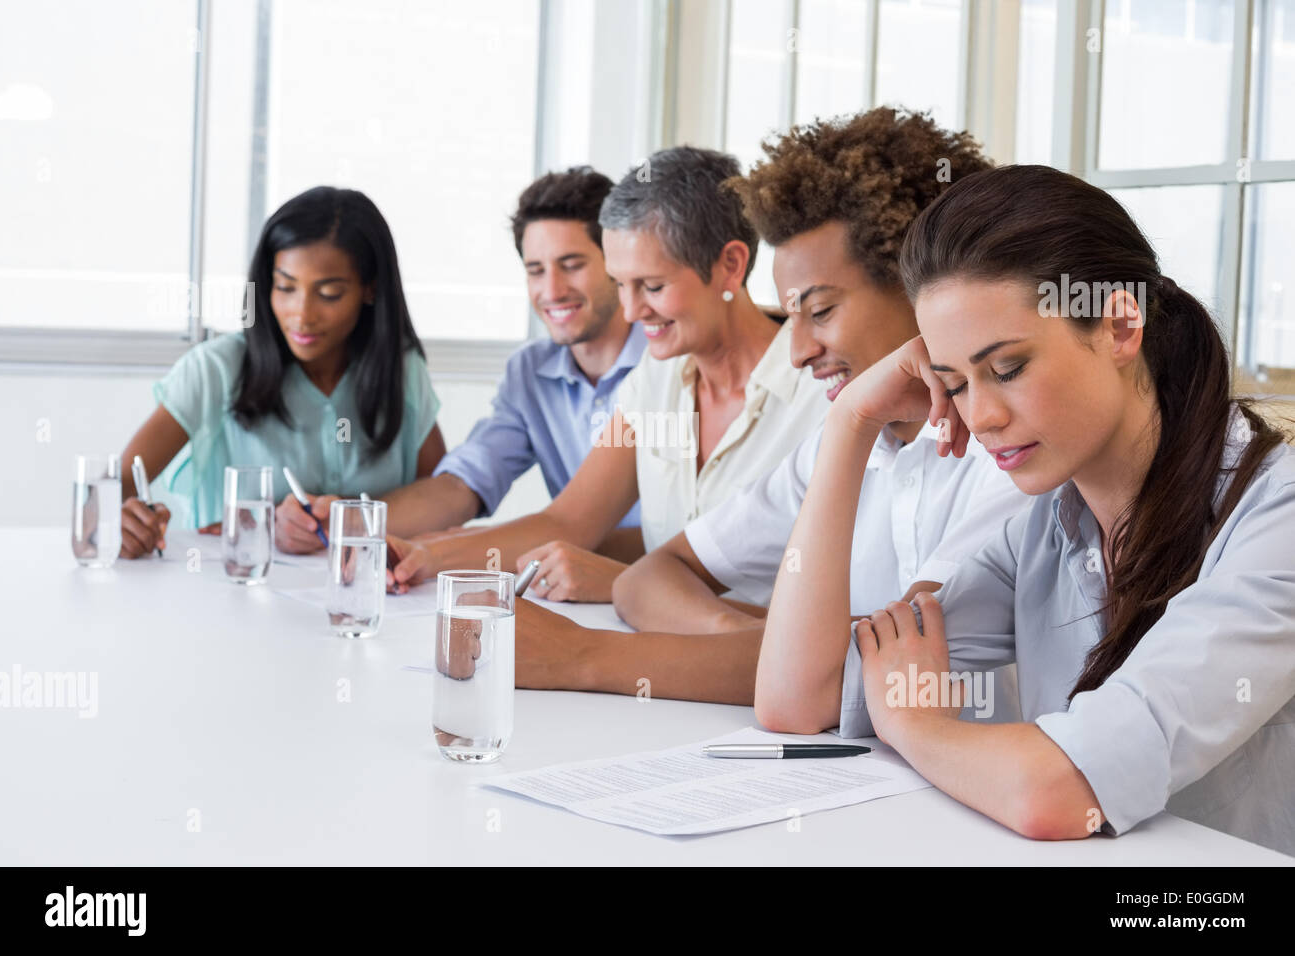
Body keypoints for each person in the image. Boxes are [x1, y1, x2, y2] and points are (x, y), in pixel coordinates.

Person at [756, 163, 1295, 854]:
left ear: (1120, 325)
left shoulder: (1273, 515)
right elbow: (799, 701)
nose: (979, 415)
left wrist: (915, 725)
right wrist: (851, 423)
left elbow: (1060, 795)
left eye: (1007, 369)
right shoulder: (1041, 529)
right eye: (953, 384)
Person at [517, 108, 1027, 710]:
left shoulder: (1009, 454)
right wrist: (752, 638)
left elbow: (857, 673)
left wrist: (583, 657)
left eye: (822, 311)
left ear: (919, 286)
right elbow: (650, 576)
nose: (800, 348)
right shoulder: (856, 439)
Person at [386, 146, 828, 602]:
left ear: (730, 266)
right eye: (620, 284)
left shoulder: (820, 390)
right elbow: (569, 520)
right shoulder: (654, 380)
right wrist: (425, 556)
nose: (632, 310)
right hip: (651, 642)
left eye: (652, 286)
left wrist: (621, 585)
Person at [116, 186, 445, 558]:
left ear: (370, 289)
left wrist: (346, 521)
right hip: (234, 595)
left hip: (367, 597)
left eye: (330, 294)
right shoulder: (216, 369)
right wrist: (123, 520)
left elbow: (444, 502)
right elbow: (119, 485)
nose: (302, 314)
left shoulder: (402, 372)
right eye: (285, 287)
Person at [381, 167, 646, 562]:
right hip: (574, 591)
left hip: (677, 592)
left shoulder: (668, 362)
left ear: (618, 262)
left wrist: (481, 548)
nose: (551, 291)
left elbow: (686, 538)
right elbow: (463, 485)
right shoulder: (530, 373)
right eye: (535, 270)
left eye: (572, 265)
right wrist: (346, 524)